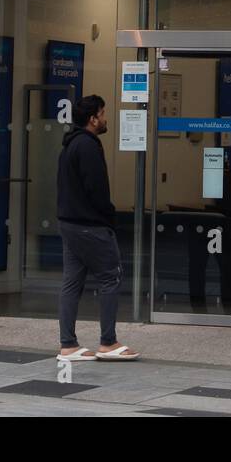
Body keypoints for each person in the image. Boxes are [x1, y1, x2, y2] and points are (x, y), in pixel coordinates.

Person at [55, 94, 139, 362]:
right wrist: (109, 217)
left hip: (68, 223)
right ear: (93, 119)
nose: (105, 119)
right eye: (102, 113)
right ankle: (108, 342)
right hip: (90, 225)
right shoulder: (89, 146)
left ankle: (68, 345)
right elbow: (97, 190)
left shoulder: (68, 145)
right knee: (110, 278)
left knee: (71, 283)